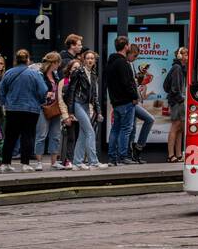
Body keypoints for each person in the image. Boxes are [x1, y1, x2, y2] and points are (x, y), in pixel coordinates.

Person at [0, 50, 47, 173]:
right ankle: (25, 163)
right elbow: (43, 90)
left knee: (10, 137)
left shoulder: (9, 73)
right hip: (31, 109)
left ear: (16, 60)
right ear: (28, 60)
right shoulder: (35, 74)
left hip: (12, 109)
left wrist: (5, 103)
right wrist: (40, 101)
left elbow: (1, 91)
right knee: (28, 136)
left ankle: (5, 163)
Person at [66, 50, 106, 169]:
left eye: (92, 58)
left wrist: (98, 112)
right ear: (84, 60)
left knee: (83, 135)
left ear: (95, 61)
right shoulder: (78, 72)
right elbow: (71, 91)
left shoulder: (93, 75)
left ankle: (77, 162)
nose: (90, 60)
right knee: (90, 132)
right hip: (78, 104)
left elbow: (94, 96)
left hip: (86, 105)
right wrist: (70, 111)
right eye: (87, 58)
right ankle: (94, 161)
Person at [105, 38, 139, 166]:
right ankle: (123, 156)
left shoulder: (110, 63)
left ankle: (112, 157)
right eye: (128, 44)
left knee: (115, 129)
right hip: (126, 101)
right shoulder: (123, 63)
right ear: (125, 46)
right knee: (126, 129)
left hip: (116, 101)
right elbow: (127, 83)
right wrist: (134, 96)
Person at [35, 52, 64, 169]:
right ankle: (39, 162)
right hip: (43, 107)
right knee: (41, 134)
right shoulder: (39, 75)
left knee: (56, 135)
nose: (58, 65)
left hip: (55, 107)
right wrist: (45, 94)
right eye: (57, 63)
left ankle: (54, 162)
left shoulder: (56, 75)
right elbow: (35, 90)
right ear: (52, 63)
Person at [165, 47, 188, 163]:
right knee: (175, 126)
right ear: (180, 56)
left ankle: (178, 154)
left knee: (180, 128)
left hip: (178, 101)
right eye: (185, 54)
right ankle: (171, 155)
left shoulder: (180, 68)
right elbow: (175, 88)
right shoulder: (177, 68)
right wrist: (181, 99)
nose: (187, 57)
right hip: (177, 102)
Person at [130, 62, 155, 164]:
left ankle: (135, 152)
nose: (145, 70)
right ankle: (133, 152)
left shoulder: (144, 85)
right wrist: (142, 69)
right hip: (133, 104)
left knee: (133, 129)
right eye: (144, 68)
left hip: (138, 104)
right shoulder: (133, 79)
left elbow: (150, 76)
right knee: (132, 129)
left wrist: (146, 70)